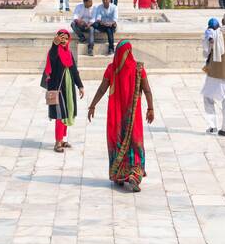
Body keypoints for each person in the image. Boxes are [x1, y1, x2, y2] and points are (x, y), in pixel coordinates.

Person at [87, 38, 154, 192]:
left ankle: (118, 174)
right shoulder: (138, 69)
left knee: (117, 142)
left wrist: (92, 105)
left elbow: (102, 89)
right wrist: (150, 109)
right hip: (133, 116)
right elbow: (147, 90)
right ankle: (134, 174)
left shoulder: (112, 69)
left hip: (115, 117)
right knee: (134, 143)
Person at [41, 28, 84, 152]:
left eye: (66, 38)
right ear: (57, 39)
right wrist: (54, 44)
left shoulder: (69, 53)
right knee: (60, 115)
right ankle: (57, 142)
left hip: (68, 87)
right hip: (57, 88)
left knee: (67, 113)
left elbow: (74, 71)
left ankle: (62, 139)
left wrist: (80, 86)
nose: (64, 40)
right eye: (61, 38)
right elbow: (53, 56)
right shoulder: (54, 52)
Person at [202, 12, 225, 136]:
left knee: (207, 98)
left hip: (214, 72)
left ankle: (212, 126)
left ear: (222, 21)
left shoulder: (215, 34)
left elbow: (206, 52)